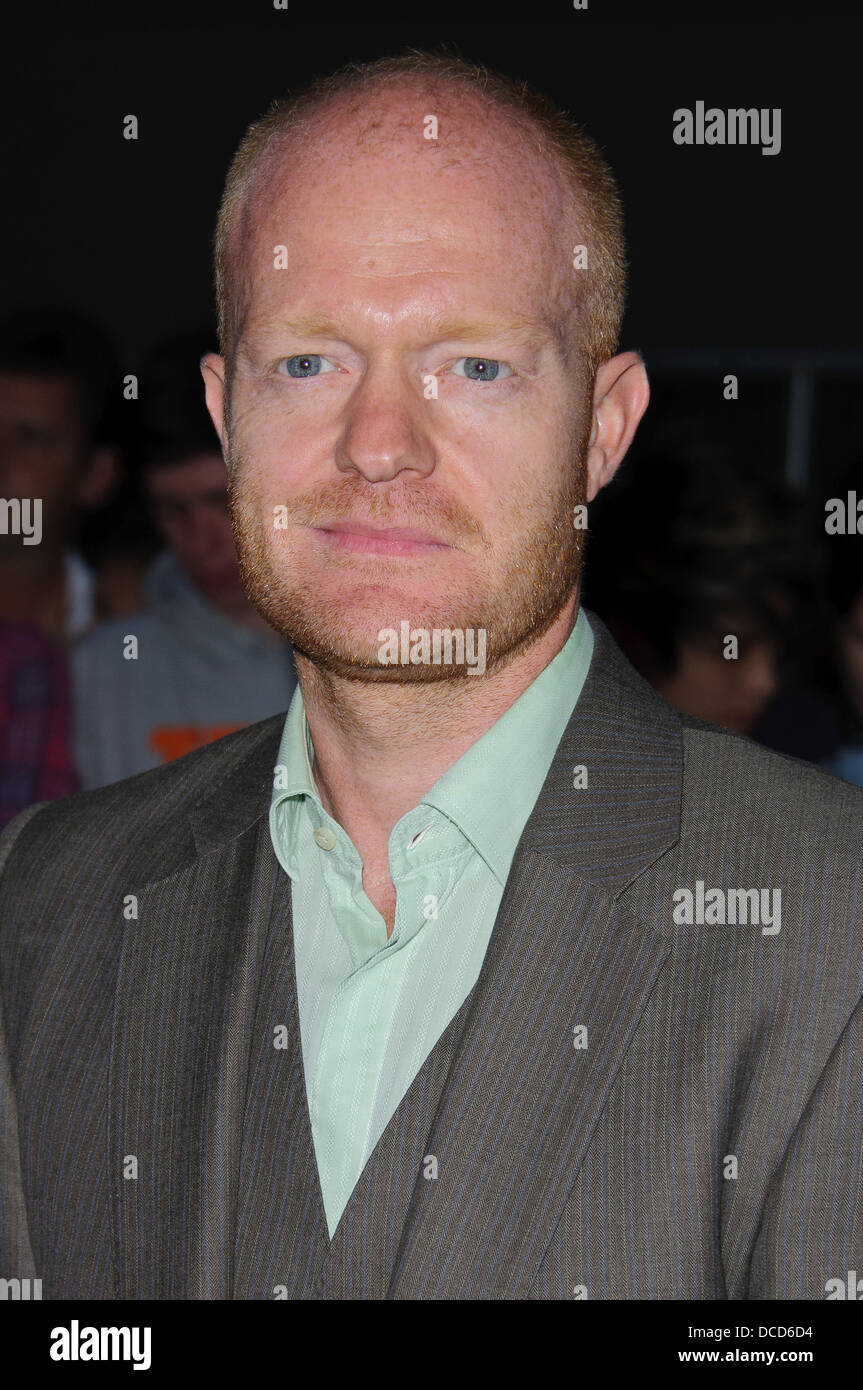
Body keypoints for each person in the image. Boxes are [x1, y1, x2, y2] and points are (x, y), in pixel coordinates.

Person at [1, 51, 861, 1302]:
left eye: (474, 366)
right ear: (226, 408)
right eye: (308, 363)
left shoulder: (832, 927)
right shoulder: (43, 902)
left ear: (603, 429)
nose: (379, 444)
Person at [71, 329, 297, 788]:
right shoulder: (106, 668)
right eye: (173, 510)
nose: (200, 540)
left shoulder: (368, 640)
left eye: (223, 503)